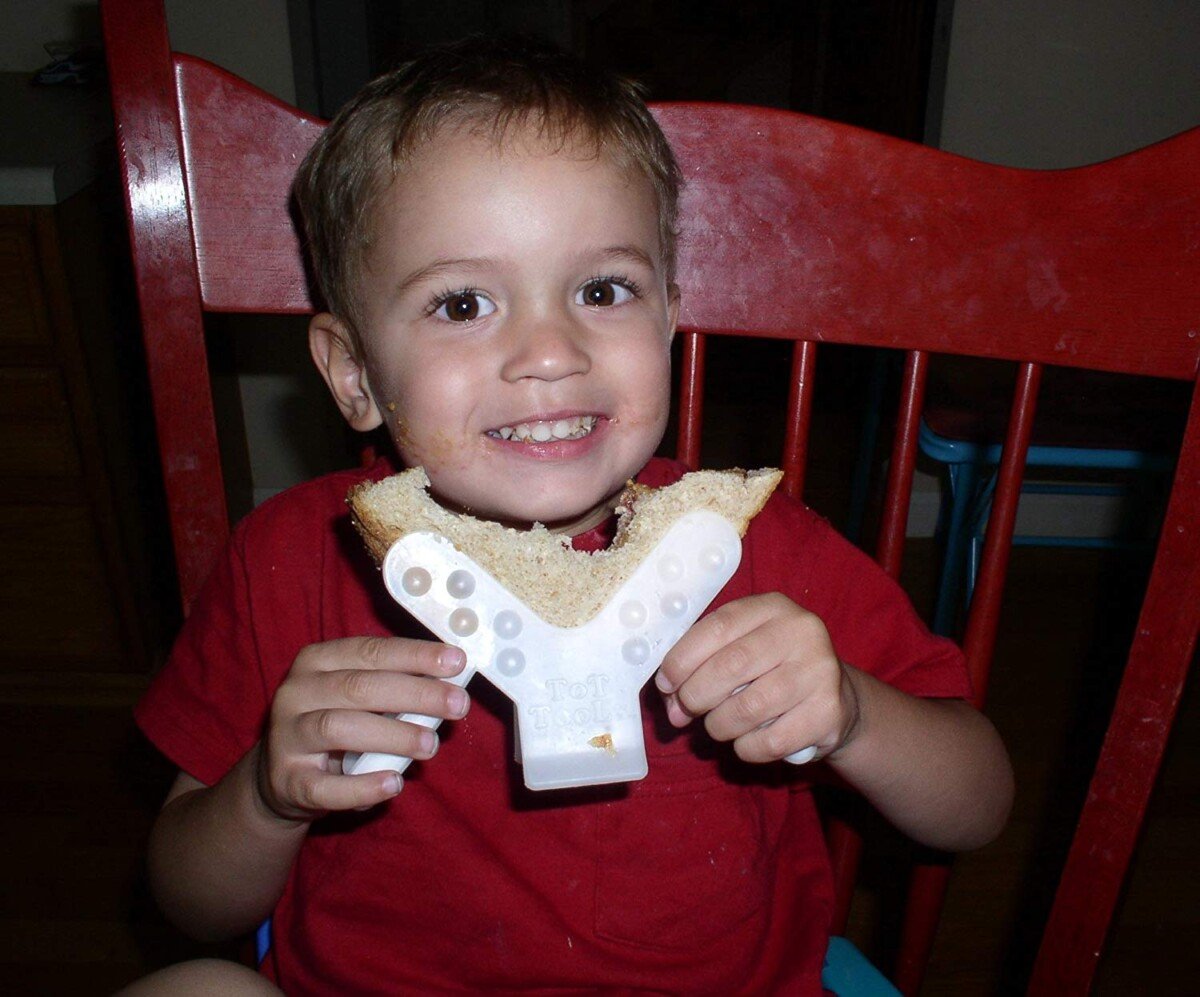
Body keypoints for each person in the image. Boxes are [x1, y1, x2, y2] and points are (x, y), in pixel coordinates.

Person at [124, 35, 1012, 996]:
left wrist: (851, 716)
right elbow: (189, 902)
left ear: (668, 316)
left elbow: (978, 803)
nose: (548, 350)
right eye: (462, 302)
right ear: (352, 374)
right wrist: (265, 793)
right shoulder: (287, 564)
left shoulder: (759, 553)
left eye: (602, 290)